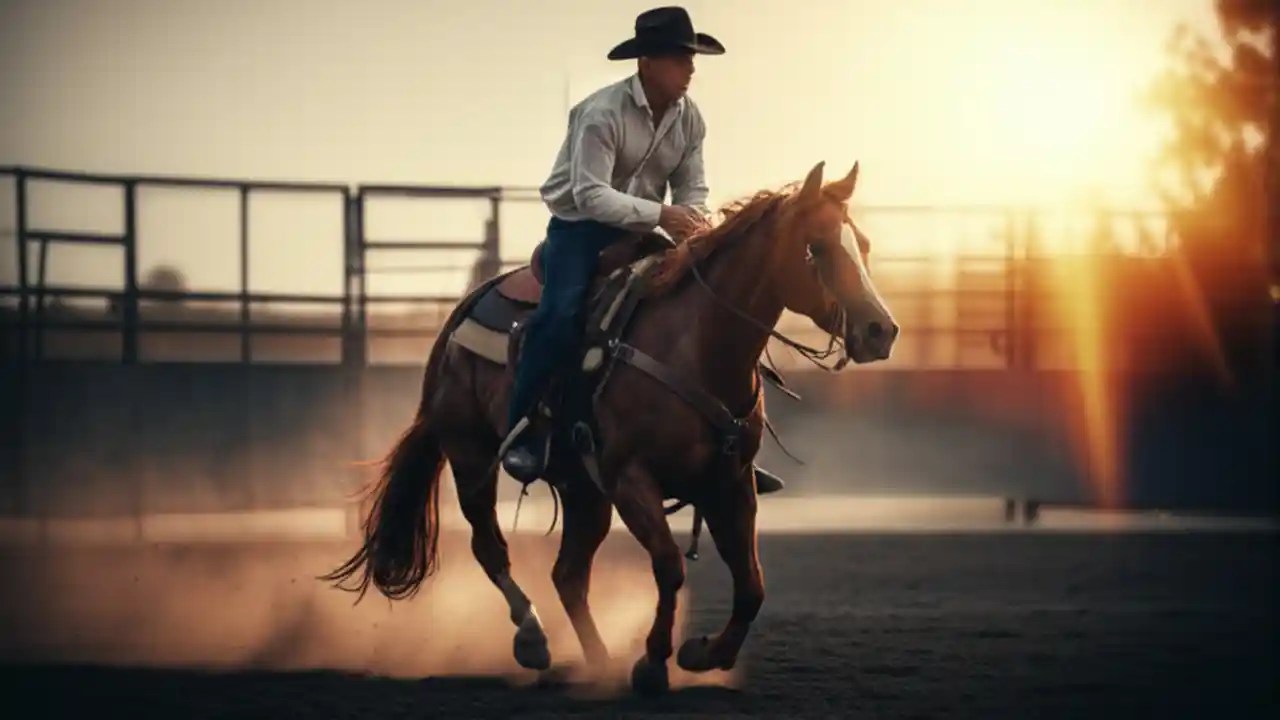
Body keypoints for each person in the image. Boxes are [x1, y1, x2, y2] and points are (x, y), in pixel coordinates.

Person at [501, 6, 785, 496]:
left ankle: (729, 443)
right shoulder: (601, 114)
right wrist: (661, 216)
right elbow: (590, 195)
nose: (691, 69)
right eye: (680, 58)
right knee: (562, 312)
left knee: (706, 302)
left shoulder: (689, 117)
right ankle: (526, 428)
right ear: (647, 63)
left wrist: (692, 221)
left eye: (692, 58)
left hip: (648, 224)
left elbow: (693, 186)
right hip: (580, 227)